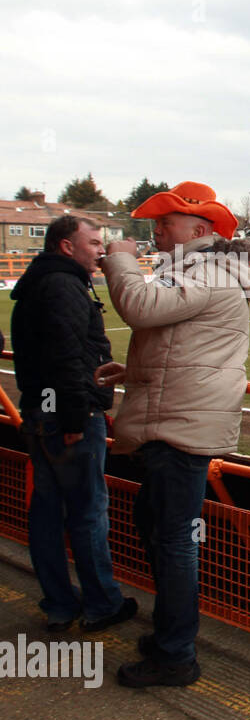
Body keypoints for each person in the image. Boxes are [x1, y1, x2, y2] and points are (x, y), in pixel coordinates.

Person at [98, 181, 250, 688]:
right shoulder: (200, 270)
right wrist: (131, 371)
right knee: (161, 531)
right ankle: (171, 637)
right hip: (175, 420)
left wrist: (119, 259)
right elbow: (179, 345)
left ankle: (175, 654)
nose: (155, 232)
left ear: (198, 229)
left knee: (173, 541)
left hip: (182, 427)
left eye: (164, 223)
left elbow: (141, 309)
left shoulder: (209, 272)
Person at [9, 216, 136, 633]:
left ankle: (60, 604)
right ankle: (101, 604)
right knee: (87, 512)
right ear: (67, 247)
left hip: (39, 412)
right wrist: (76, 418)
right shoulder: (63, 286)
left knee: (47, 511)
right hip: (67, 417)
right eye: (95, 242)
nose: (101, 250)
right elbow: (66, 357)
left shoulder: (41, 281)